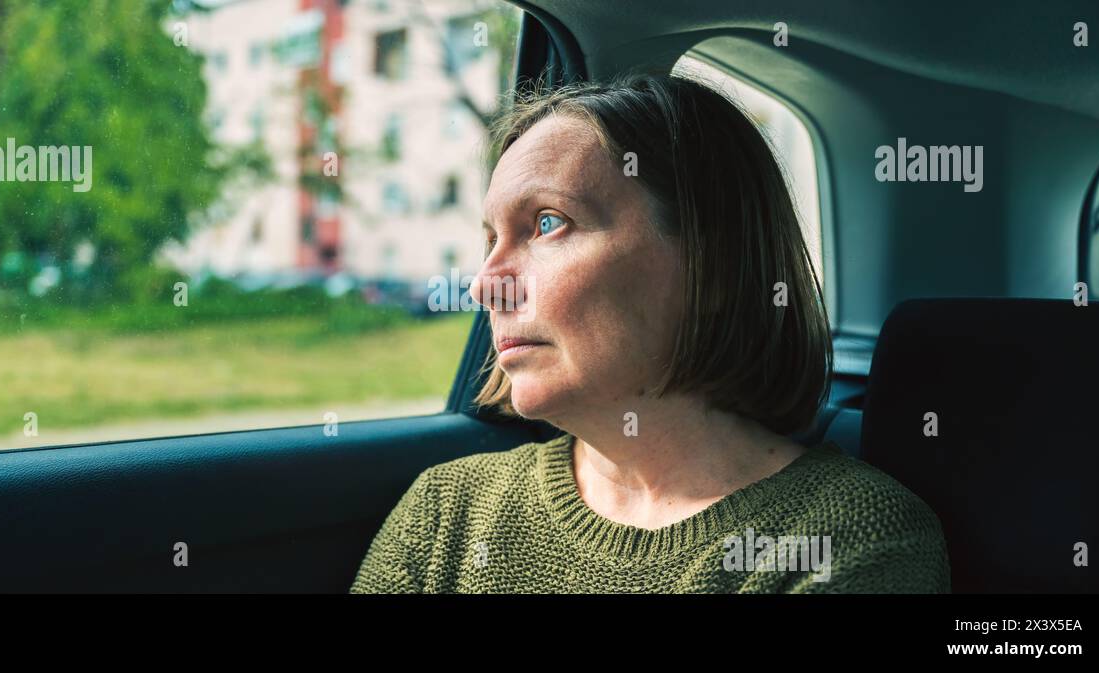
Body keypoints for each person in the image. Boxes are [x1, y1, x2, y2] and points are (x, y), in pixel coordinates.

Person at [350, 73, 951, 593]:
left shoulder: (845, 538)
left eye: (548, 223)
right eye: (490, 240)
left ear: (712, 266)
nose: (484, 287)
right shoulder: (446, 510)